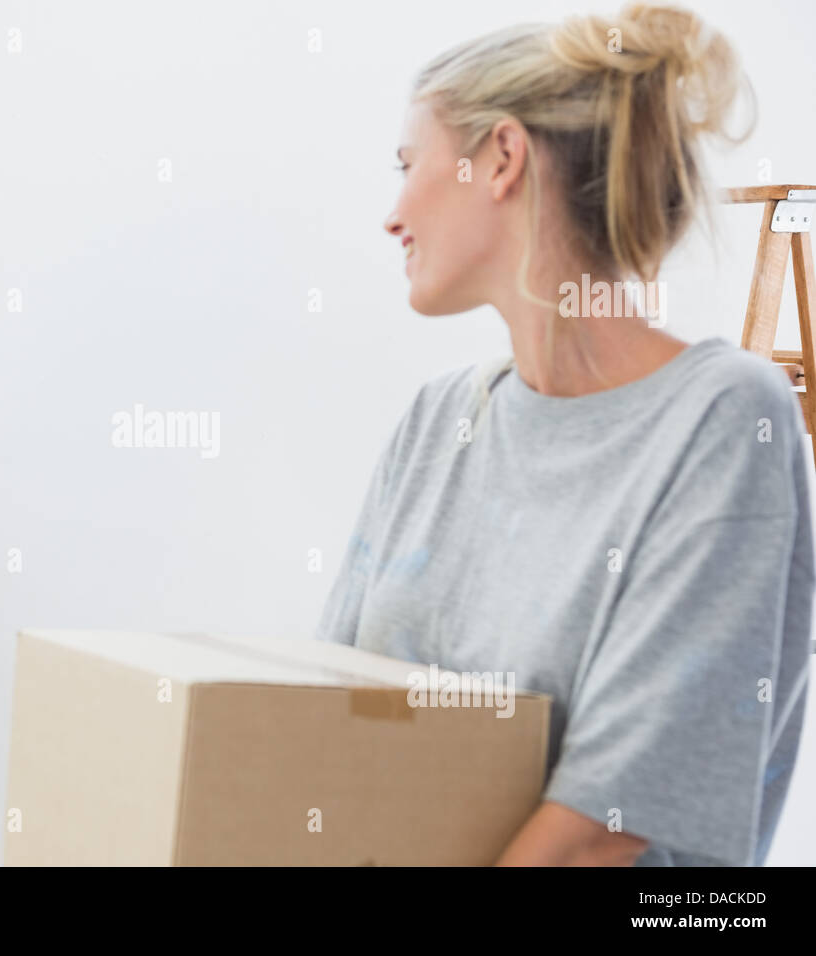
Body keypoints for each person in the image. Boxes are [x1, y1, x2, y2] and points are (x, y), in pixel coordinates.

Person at [316, 4, 814, 866]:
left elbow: (596, 836)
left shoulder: (726, 418)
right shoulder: (437, 424)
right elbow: (313, 722)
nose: (392, 215)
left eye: (409, 166)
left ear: (501, 158)